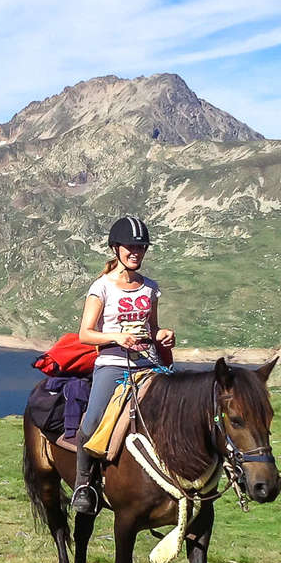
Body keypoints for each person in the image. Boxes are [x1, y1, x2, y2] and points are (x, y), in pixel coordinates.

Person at [70, 216, 176, 514]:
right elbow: (85, 333)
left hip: (149, 365)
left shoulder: (150, 288)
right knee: (91, 422)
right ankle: (83, 484)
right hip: (113, 364)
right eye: (130, 247)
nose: (136, 252)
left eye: (141, 248)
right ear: (115, 248)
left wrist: (161, 335)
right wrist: (118, 337)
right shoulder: (101, 287)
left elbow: (150, 328)